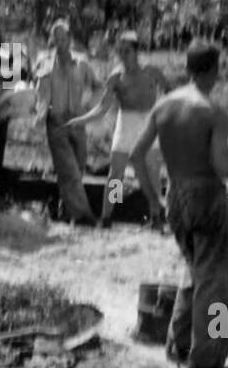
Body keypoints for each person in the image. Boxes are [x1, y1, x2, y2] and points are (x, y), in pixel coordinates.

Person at [131, 43, 228, 368]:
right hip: (206, 196)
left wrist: (153, 199)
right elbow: (223, 168)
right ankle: (206, 363)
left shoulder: (163, 105)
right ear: (214, 70)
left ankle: (178, 343)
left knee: (195, 269)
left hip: (175, 195)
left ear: (187, 68)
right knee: (218, 280)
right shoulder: (213, 111)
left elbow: (137, 156)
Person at [62, 30, 168, 229]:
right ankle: (108, 215)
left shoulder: (152, 71)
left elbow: (170, 93)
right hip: (125, 123)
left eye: (127, 51)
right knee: (116, 174)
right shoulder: (116, 77)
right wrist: (80, 120)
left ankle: (155, 217)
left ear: (136, 52)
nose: (123, 55)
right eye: (120, 51)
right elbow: (102, 108)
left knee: (152, 171)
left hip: (147, 122)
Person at [34, 19, 100, 226]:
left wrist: (88, 106)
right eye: (57, 38)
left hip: (78, 122)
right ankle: (83, 217)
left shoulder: (82, 63)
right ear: (53, 40)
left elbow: (98, 86)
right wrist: (40, 113)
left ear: (70, 39)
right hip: (56, 123)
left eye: (64, 37)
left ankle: (64, 211)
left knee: (76, 171)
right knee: (69, 171)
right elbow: (40, 92)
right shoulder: (45, 63)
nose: (60, 42)